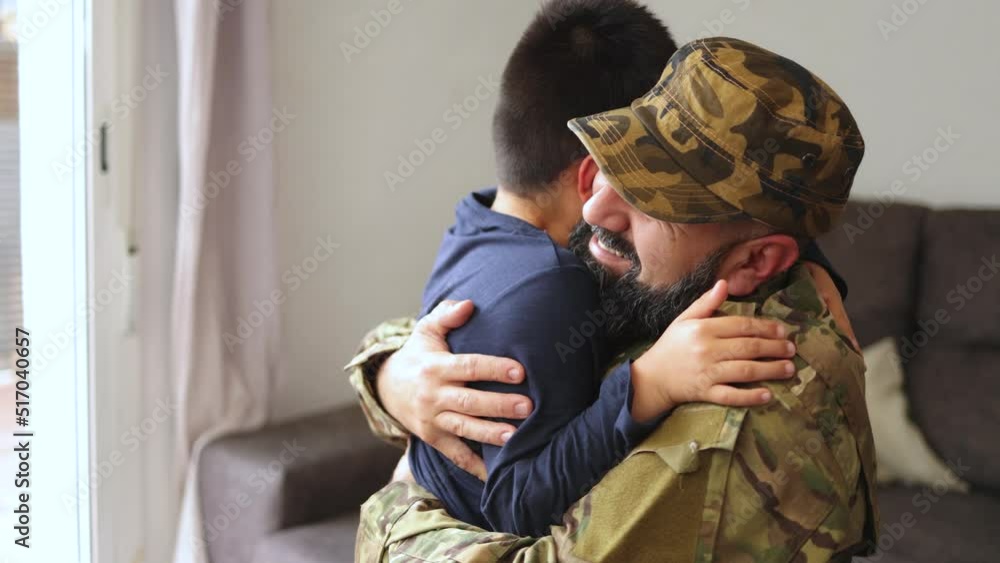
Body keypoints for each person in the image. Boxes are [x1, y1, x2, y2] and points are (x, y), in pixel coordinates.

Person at [348, 36, 878, 562]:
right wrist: (394, 377)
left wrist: (400, 498)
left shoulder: (744, 401)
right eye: (618, 162)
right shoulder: (664, 279)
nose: (595, 209)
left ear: (756, 264)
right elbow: (489, 330)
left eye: (654, 200)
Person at [403, 0, 804, 538]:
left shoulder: (473, 221)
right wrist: (647, 385)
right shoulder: (554, 285)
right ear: (594, 172)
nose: (603, 215)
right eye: (641, 173)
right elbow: (514, 504)